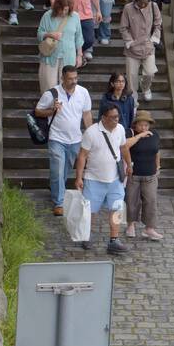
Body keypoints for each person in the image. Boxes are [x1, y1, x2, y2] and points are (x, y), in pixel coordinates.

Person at [74, 100, 131, 255]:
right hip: (94, 179)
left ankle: (114, 240)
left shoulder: (120, 129)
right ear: (103, 118)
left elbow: (124, 147)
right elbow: (82, 156)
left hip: (115, 180)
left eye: (117, 116)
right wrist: (79, 177)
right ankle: (87, 235)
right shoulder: (91, 132)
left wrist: (129, 164)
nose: (116, 120)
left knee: (117, 208)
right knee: (90, 211)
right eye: (112, 117)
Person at [34, 64, 92, 214]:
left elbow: (86, 114)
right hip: (56, 138)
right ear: (62, 78)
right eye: (70, 79)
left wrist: (91, 133)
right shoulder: (52, 93)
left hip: (76, 140)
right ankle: (59, 203)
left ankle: (55, 187)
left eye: (75, 78)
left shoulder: (83, 92)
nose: (73, 81)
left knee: (64, 170)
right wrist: (51, 110)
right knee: (58, 170)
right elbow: (38, 111)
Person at [123, 110, 162, 242]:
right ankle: (130, 224)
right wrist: (140, 136)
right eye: (141, 125)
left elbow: (157, 151)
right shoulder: (130, 133)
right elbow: (125, 146)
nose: (144, 128)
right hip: (133, 174)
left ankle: (149, 228)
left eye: (146, 125)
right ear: (136, 125)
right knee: (131, 201)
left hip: (150, 174)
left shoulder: (155, 134)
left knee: (151, 201)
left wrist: (158, 166)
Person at [120, 0, 161, 104]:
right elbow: (123, 28)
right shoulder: (128, 8)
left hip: (148, 47)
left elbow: (158, 24)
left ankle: (146, 88)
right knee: (131, 76)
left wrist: (154, 38)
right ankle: (133, 100)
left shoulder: (153, 6)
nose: (143, 4)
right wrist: (129, 42)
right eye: (141, 1)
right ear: (136, 0)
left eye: (146, 1)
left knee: (150, 72)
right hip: (132, 49)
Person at [36, 0, 83, 93]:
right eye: (63, 10)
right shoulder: (47, 16)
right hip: (50, 55)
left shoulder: (75, 16)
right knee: (49, 85)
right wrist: (50, 34)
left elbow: (79, 37)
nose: (64, 12)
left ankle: (66, 107)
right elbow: (39, 34)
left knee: (68, 85)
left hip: (68, 55)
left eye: (67, 10)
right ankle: (50, 107)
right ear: (57, 7)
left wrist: (79, 55)